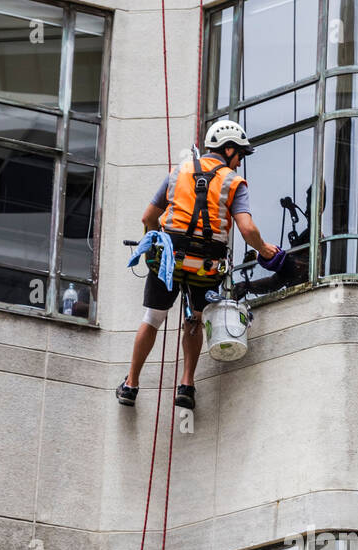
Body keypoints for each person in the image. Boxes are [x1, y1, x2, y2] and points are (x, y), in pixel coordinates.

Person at [117, 120, 278, 411]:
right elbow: (247, 228)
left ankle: (131, 385)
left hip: (169, 260)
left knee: (153, 318)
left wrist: (154, 243)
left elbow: (147, 217)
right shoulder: (233, 182)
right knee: (194, 319)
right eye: (239, 153)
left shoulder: (178, 171)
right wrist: (265, 249)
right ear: (228, 149)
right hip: (207, 264)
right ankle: (187, 385)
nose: (240, 161)